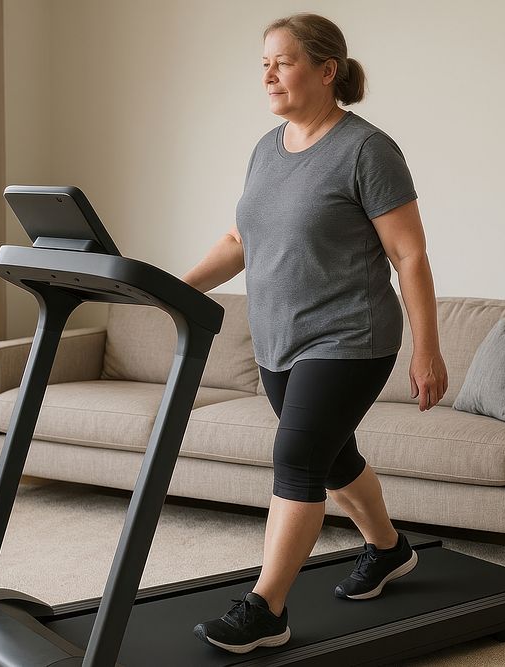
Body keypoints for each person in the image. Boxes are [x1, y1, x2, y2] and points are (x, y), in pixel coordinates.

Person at [180, 13, 449, 655]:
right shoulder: (265, 149)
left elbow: (409, 254)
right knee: (330, 457)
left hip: (349, 338)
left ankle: (266, 607)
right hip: (278, 341)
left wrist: (428, 348)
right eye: (264, 63)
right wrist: (177, 288)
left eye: (283, 61)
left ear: (327, 70)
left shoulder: (366, 149)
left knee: (297, 461)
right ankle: (388, 549)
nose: (269, 74)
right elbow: (240, 240)